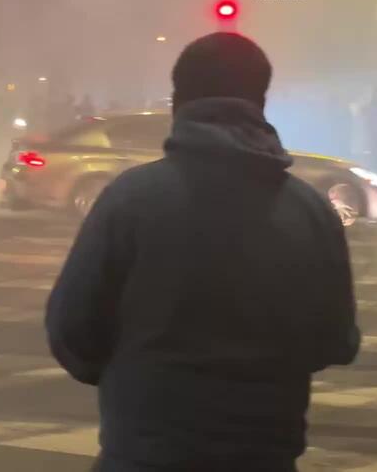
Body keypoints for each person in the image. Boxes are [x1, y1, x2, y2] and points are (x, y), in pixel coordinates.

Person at [46, 33, 359, 472]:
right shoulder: (309, 211)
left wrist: (134, 378)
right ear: (260, 102)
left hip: (146, 454)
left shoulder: (131, 199)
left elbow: (72, 330)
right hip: (264, 455)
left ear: (179, 102)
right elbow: (336, 341)